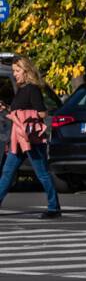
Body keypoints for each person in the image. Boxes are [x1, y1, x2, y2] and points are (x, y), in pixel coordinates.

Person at [0, 54, 62, 218]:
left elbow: (42, 113)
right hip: (18, 139)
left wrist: (20, 114)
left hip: (31, 139)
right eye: (13, 71)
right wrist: (6, 109)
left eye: (17, 70)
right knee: (7, 173)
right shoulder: (20, 90)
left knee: (42, 173)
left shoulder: (32, 89)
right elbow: (17, 114)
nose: (14, 74)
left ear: (26, 71)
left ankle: (54, 208)